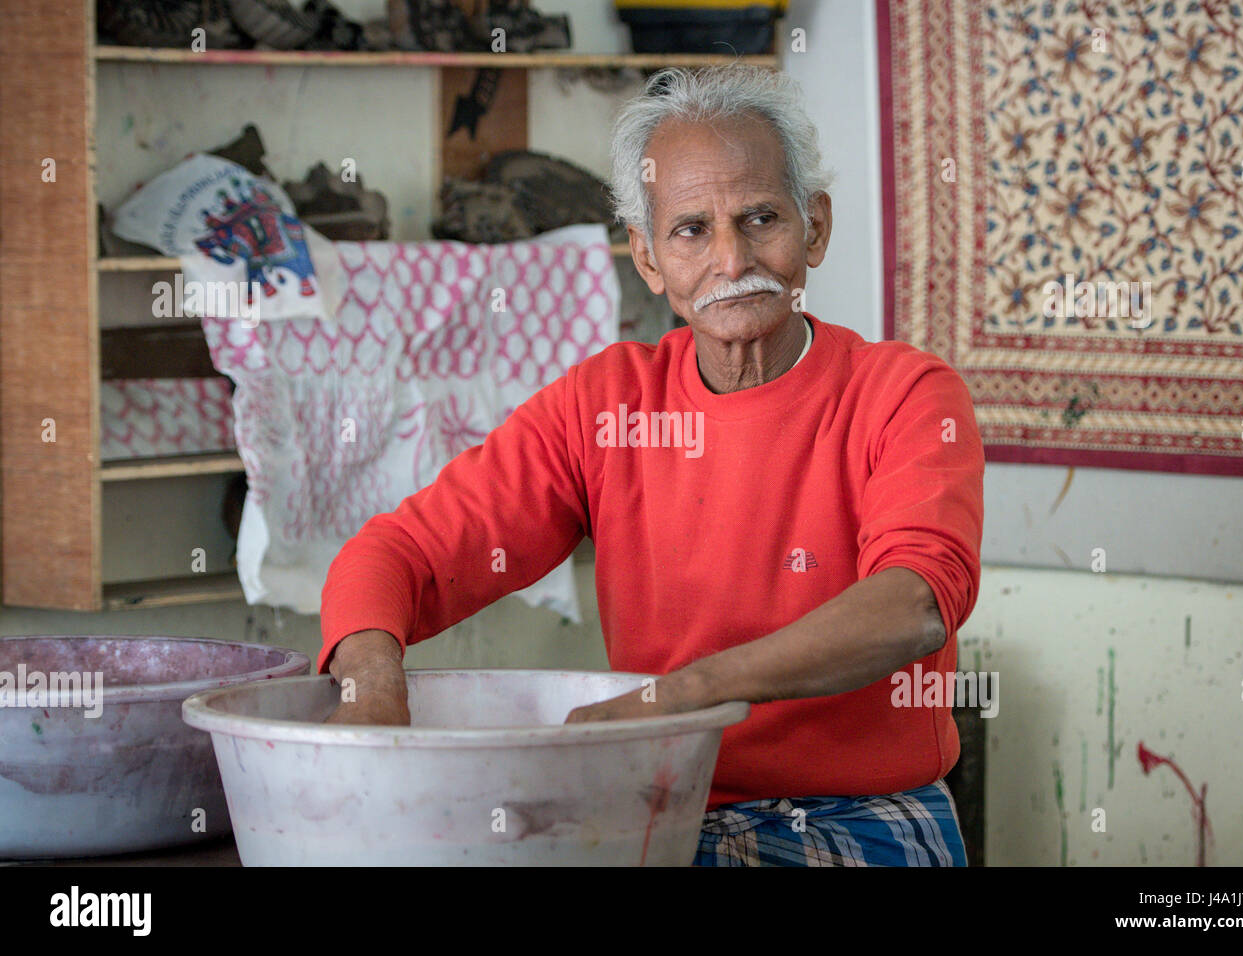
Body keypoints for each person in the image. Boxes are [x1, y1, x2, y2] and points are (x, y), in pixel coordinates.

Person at [319, 64, 984, 866]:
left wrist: (685, 697)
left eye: (761, 217)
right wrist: (371, 689)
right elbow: (399, 555)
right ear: (647, 258)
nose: (731, 258)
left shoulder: (906, 392)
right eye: (692, 230)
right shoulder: (607, 405)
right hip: (659, 808)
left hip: (860, 815)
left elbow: (915, 603)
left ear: (816, 228)